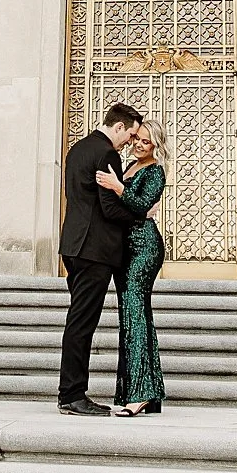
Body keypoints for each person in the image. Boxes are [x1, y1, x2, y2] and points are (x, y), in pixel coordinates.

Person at [56, 100, 145, 416]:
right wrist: (140, 214)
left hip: (73, 246)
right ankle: (72, 395)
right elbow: (109, 207)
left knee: (78, 320)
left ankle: (70, 393)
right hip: (94, 250)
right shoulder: (107, 154)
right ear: (119, 126)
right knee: (82, 323)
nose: (130, 143)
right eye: (130, 135)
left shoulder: (77, 149)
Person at [96, 117, 167, 416]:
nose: (138, 144)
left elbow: (141, 205)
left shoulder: (155, 171)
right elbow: (133, 208)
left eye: (146, 142)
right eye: (137, 138)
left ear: (156, 146)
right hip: (124, 249)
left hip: (144, 249)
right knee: (133, 316)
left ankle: (139, 396)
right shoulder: (130, 167)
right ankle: (147, 392)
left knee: (134, 315)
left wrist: (117, 187)